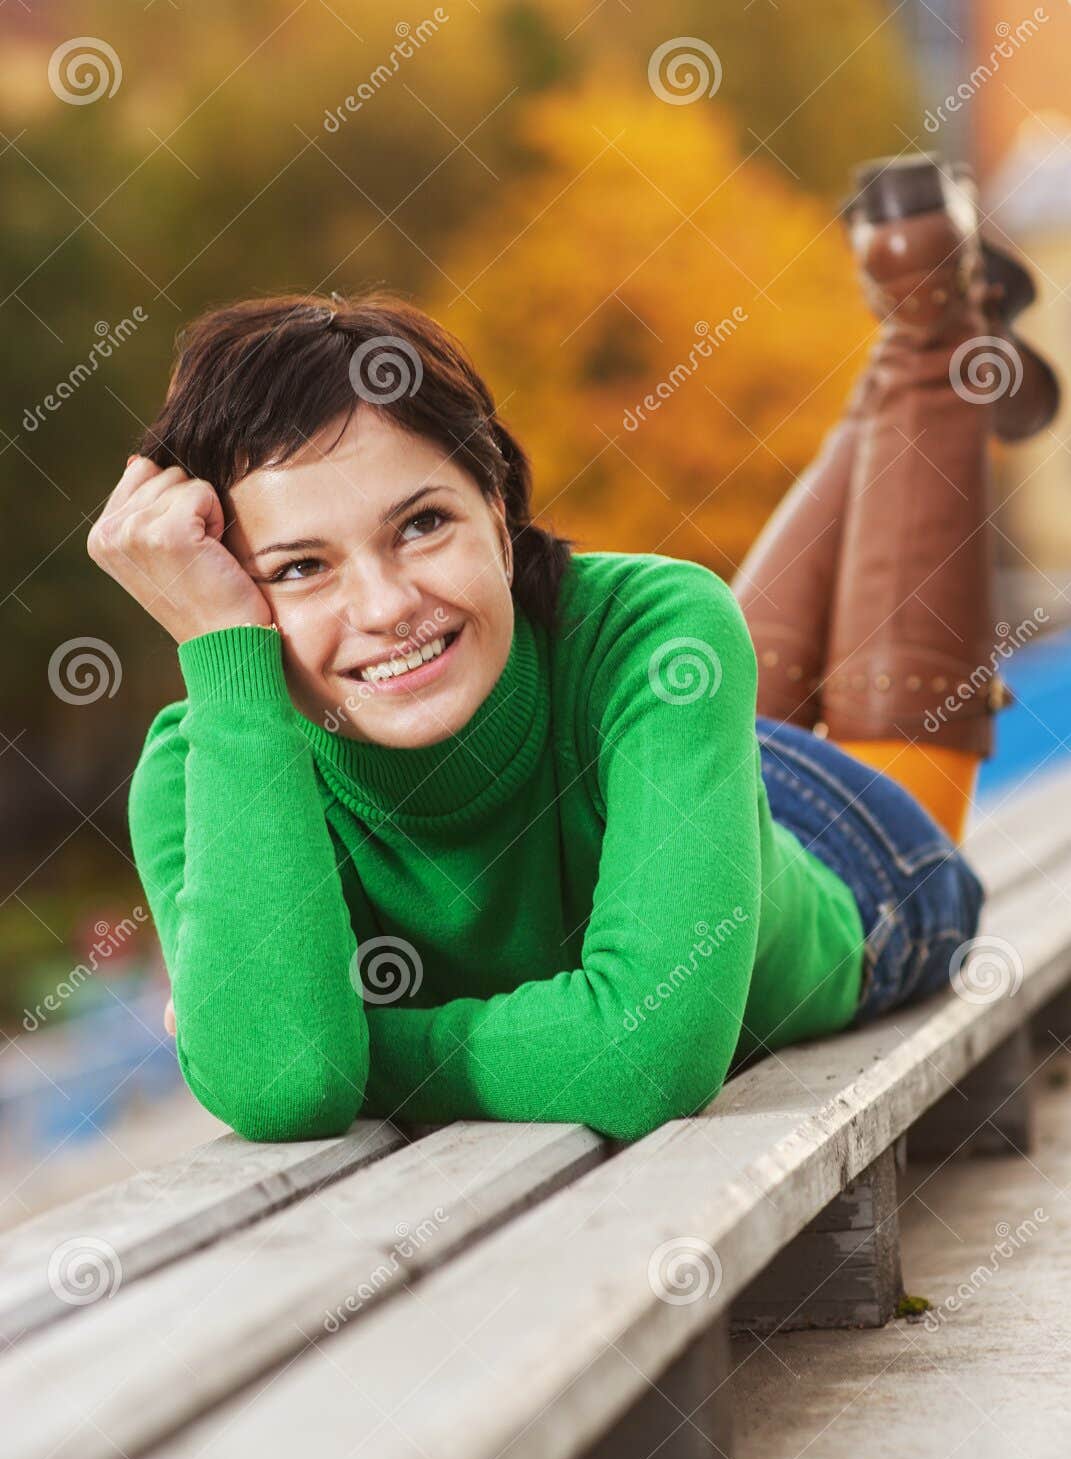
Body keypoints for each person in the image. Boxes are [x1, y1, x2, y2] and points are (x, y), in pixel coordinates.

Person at [87, 154, 1057, 1145]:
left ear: (501, 514)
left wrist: (352, 1044)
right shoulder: (201, 764)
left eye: (422, 524)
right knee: (693, 656)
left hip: (832, 856)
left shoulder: (650, 629)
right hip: (657, 779)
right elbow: (289, 1087)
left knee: (739, 640)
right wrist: (222, 655)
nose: (384, 605)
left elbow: (643, 1058)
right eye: (297, 569)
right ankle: (927, 330)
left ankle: (937, 337)